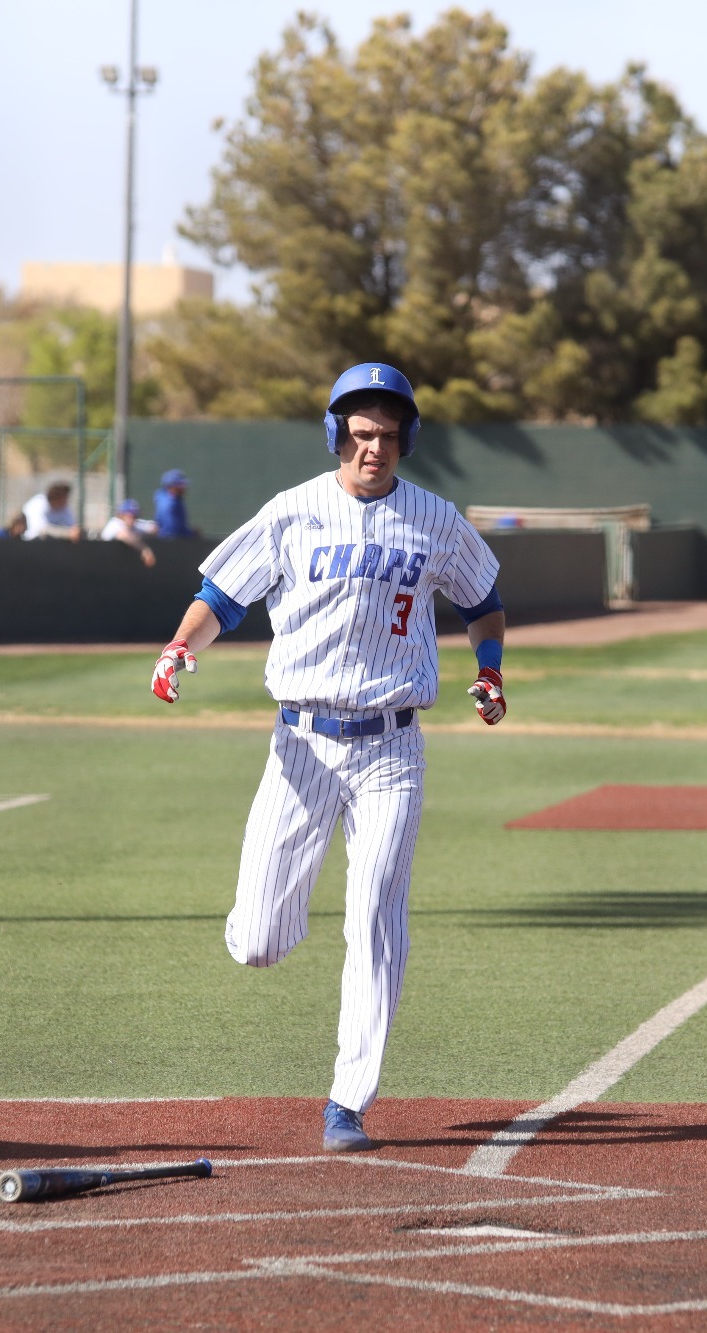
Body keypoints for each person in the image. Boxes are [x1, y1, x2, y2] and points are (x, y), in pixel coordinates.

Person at [150, 363, 508, 1153]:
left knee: (377, 913)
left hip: (393, 746)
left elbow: (483, 600)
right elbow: (223, 595)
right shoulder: (293, 513)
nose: (372, 445)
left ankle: (347, 1100)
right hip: (301, 745)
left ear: (407, 438)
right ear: (337, 432)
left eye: (386, 431)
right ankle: (281, 907)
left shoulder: (436, 520)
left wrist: (490, 670)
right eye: (360, 430)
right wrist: (180, 644)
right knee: (258, 942)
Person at [100, 497, 157, 567]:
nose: (132, 518)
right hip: (106, 563)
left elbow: (154, 527)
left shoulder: (135, 524)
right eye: (129, 515)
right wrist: (145, 549)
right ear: (121, 515)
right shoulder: (114, 523)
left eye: (135, 516)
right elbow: (124, 535)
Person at [153, 468, 198, 539]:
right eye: (180, 485)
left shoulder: (174, 499)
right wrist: (190, 533)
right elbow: (171, 531)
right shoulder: (169, 504)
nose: (184, 487)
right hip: (170, 544)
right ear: (172, 487)